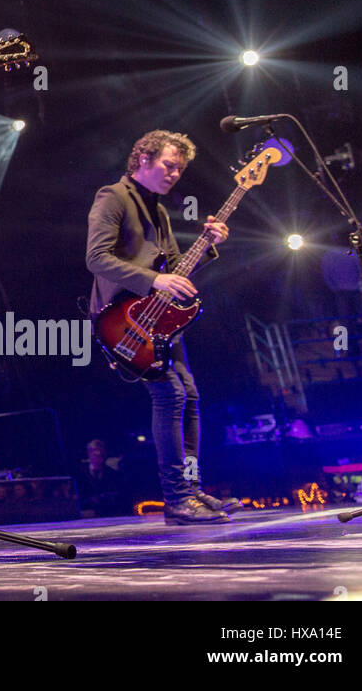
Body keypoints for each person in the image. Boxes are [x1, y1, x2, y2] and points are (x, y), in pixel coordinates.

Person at [85, 129, 241, 526]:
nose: (175, 174)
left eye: (180, 169)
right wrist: (153, 281)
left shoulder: (158, 211)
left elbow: (175, 272)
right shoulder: (113, 196)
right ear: (143, 159)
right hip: (122, 318)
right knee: (171, 396)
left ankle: (191, 491)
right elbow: (97, 258)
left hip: (157, 317)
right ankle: (175, 498)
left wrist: (207, 244)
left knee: (189, 395)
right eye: (169, 165)